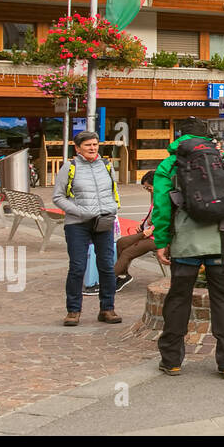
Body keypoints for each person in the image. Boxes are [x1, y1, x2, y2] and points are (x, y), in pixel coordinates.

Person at [152, 117, 224, 379]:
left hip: (186, 244)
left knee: (179, 299)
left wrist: (162, 242)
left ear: (179, 138)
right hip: (223, 242)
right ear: (207, 137)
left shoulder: (169, 165)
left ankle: (172, 360)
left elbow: (163, 208)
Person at [53, 130, 123, 326]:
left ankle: (107, 309)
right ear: (77, 148)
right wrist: (80, 212)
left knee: (107, 267)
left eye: (95, 144)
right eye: (88, 145)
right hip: (78, 224)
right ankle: (73, 311)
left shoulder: (106, 166)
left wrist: (113, 208)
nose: (92, 148)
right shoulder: (70, 167)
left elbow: (113, 191)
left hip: (104, 221)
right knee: (77, 267)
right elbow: (58, 197)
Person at [115, 171, 158, 291]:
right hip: (147, 232)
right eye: (145, 188)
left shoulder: (164, 197)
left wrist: (152, 229)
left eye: (149, 187)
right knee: (121, 243)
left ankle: (107, 282)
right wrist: (144, 222)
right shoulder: (155, 196)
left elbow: (166, 218)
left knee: (127, 253)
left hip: (157, 236)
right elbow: (153, 215)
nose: (148, 190)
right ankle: (123, 275)